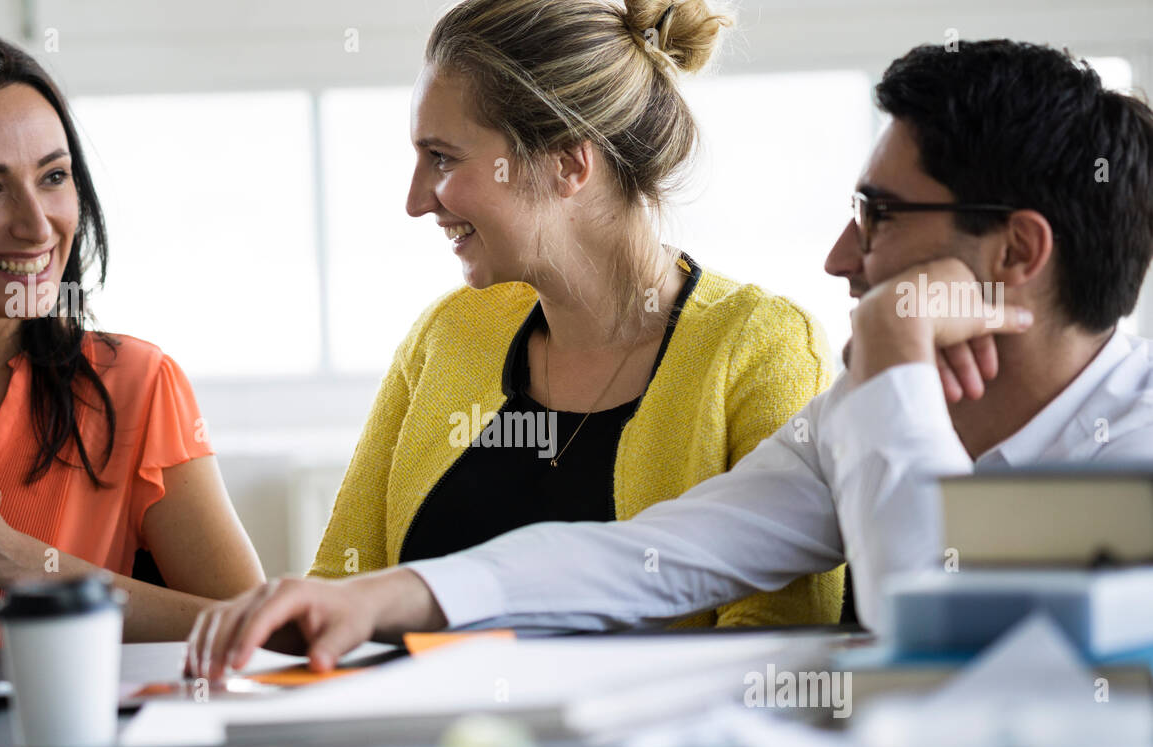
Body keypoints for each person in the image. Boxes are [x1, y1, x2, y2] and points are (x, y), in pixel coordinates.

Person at [186, 39, 1153, 677]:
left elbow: (944, 645)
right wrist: (387, 595)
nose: (841, 257)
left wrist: (896, 355)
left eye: (880, 216)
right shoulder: (864, 407)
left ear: (1019, 253)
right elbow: (654, 557)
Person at [307, 0, 842, 633]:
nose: (416, 200)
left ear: (567, 162)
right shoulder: (447, 335)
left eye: (443, 158)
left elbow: (774, 648)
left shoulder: (762, 346)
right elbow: (341, 595)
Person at [0, 27, 265, 651]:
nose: (37, 224)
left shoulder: (137, 385)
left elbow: (257, 633)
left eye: (53, 176)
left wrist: (15, 561)